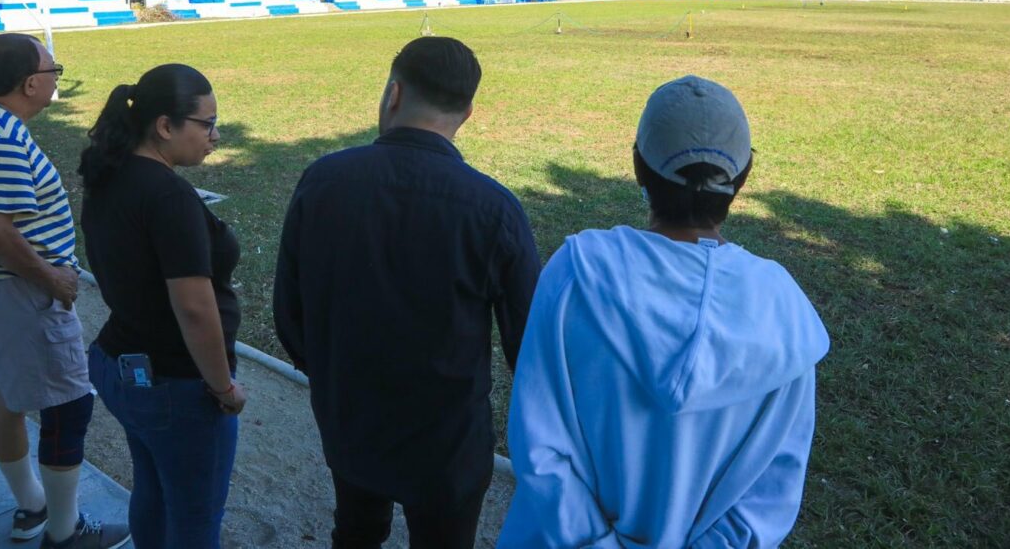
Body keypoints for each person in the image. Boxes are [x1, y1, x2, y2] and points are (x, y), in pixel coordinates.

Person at [499, 75, 831, 548]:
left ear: (638, 166)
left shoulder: (578, 272)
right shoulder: (785, 313)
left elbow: (541, 444)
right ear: (743, 178)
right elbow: (768, 497)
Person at [274, 36, 541, 549]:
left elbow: (289, 312)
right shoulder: (494, 208)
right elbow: (525, 343)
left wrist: (333, 382)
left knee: (355, 532)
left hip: (350, 421)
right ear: (466, 112)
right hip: (448, 443)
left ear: (393, 94)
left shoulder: (323, 181)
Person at [0, 33, 130, 549]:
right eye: (54, 71)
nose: (55, 79)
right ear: (31, 83)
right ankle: (65, 534)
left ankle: (31, 508)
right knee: (68, 406)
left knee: (7, 393)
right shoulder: (1, 138)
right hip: (19, 294)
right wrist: (52, 277)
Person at [78, 64, 246, 549]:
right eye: (207, 124)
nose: (216, 135)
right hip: (176, 385)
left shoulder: (109, 172)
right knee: (195, 518)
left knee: (152, 491)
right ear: (165, 126)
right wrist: (223, 386)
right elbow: (194, 308)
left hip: (124, 366)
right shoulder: (168, 195)